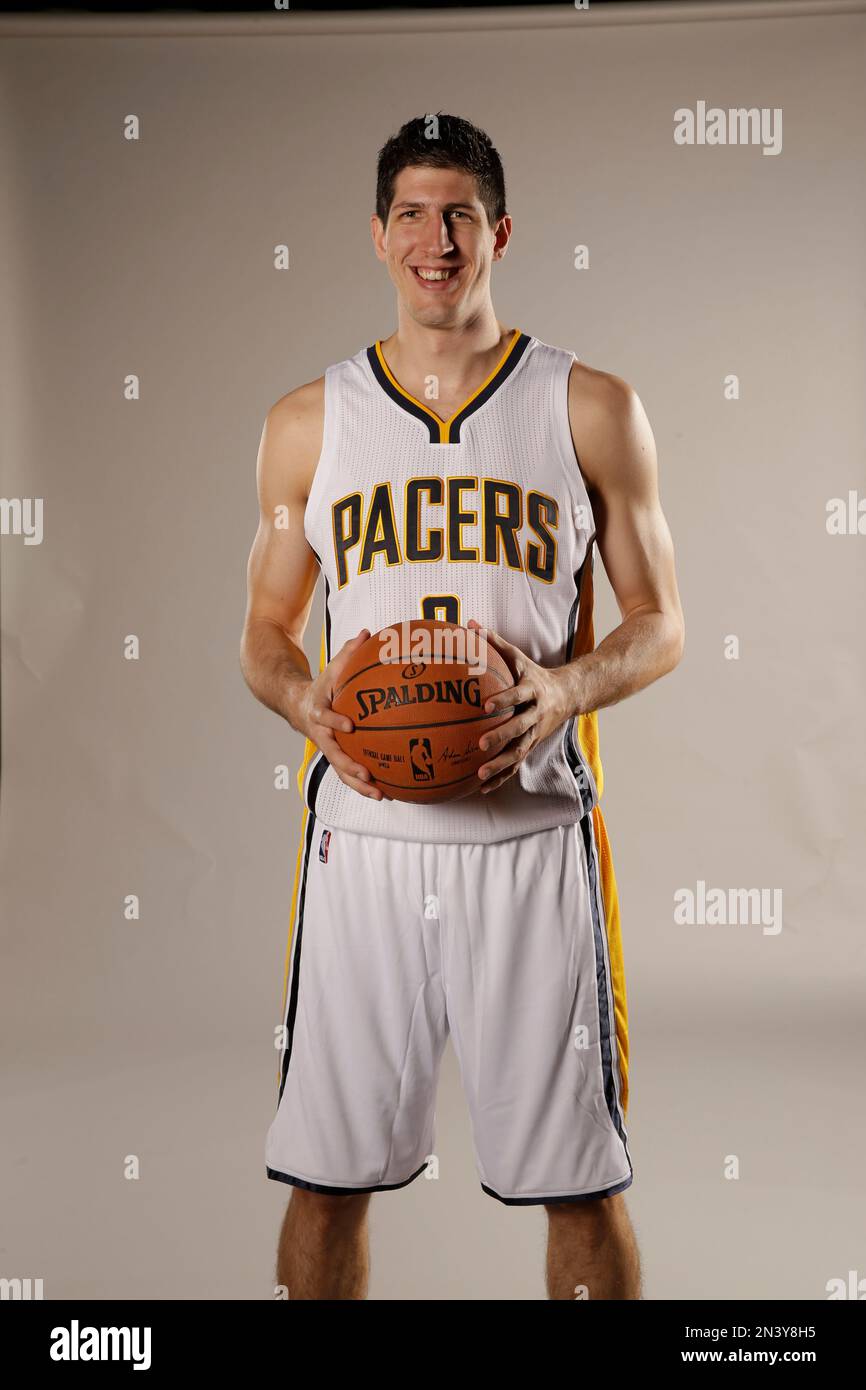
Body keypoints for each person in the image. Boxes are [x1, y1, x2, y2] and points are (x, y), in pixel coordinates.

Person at [240, 112, 684, 1300]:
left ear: (499, 232)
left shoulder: (588, 407)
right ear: (376, 237)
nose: (435, 240)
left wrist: (568, 686)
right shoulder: (307, 422)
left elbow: (660, 622)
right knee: (324, 1177)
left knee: (579, 1179)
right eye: (410, 215)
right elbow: (264, 636)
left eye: (459, 216)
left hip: (533, 841)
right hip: (364, 847)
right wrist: (307, 705)